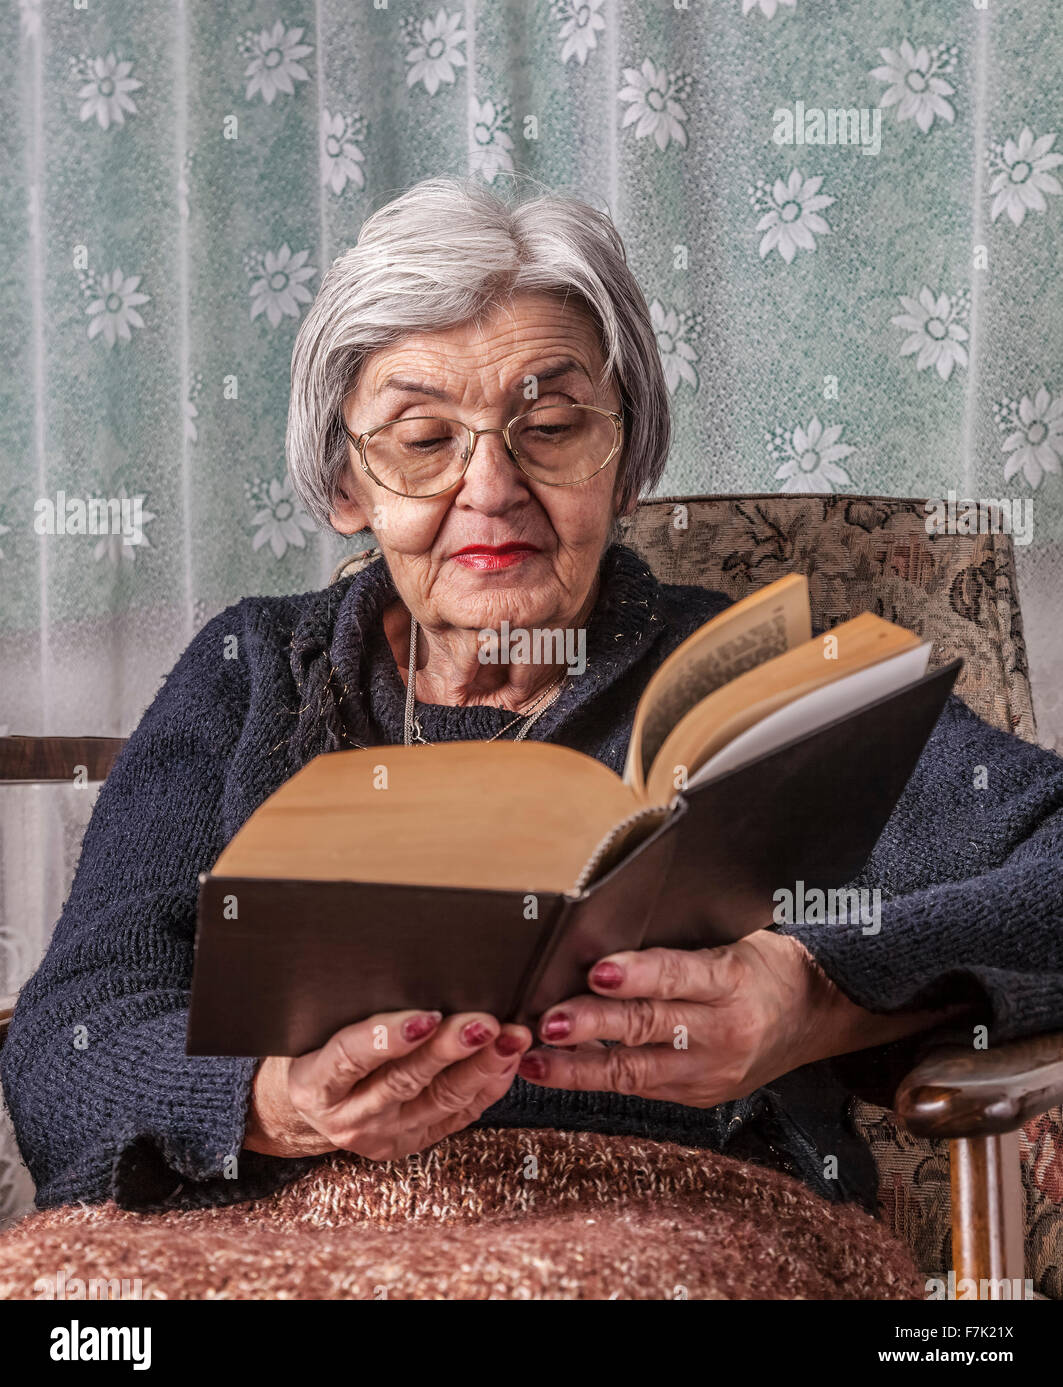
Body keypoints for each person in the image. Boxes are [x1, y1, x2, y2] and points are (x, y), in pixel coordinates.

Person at [4, 177, 1062, 1219]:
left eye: (549, 425)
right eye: (422, 441)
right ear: (345, 484)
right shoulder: (252, 672)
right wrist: (273, 1105)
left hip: (674, 1232)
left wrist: (811, 998)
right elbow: (71, 1037)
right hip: (276, 1234)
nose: (492, 487)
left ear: (625, 458)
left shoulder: (760, 687)